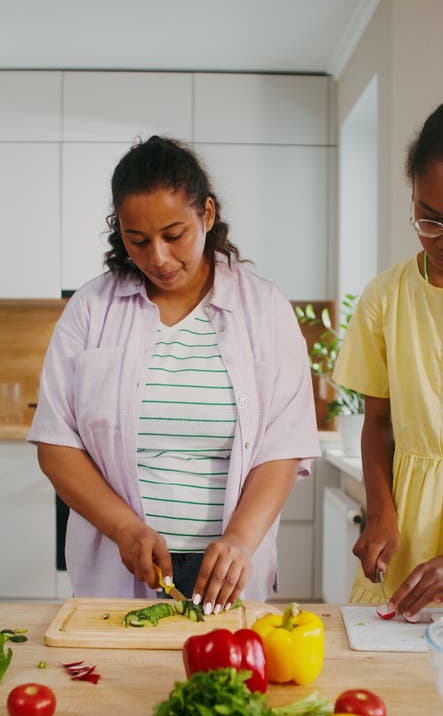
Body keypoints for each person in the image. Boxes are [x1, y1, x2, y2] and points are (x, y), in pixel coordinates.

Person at [28, 136, 320, 610]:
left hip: (229, 575)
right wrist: (126, 529)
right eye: (137, 240)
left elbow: (282, 448)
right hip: (118, 571)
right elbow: (57, 444)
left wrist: (241, 541)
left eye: (174, 234)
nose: (158, 258)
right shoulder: (91, 309)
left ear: (206, 214)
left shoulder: (264, 309)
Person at [333, 103, 443, 617]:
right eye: (429, 218)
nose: (440, 242)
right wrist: (380, 509)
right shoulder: (385, 297)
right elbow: (377, 425)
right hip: (409, 535)